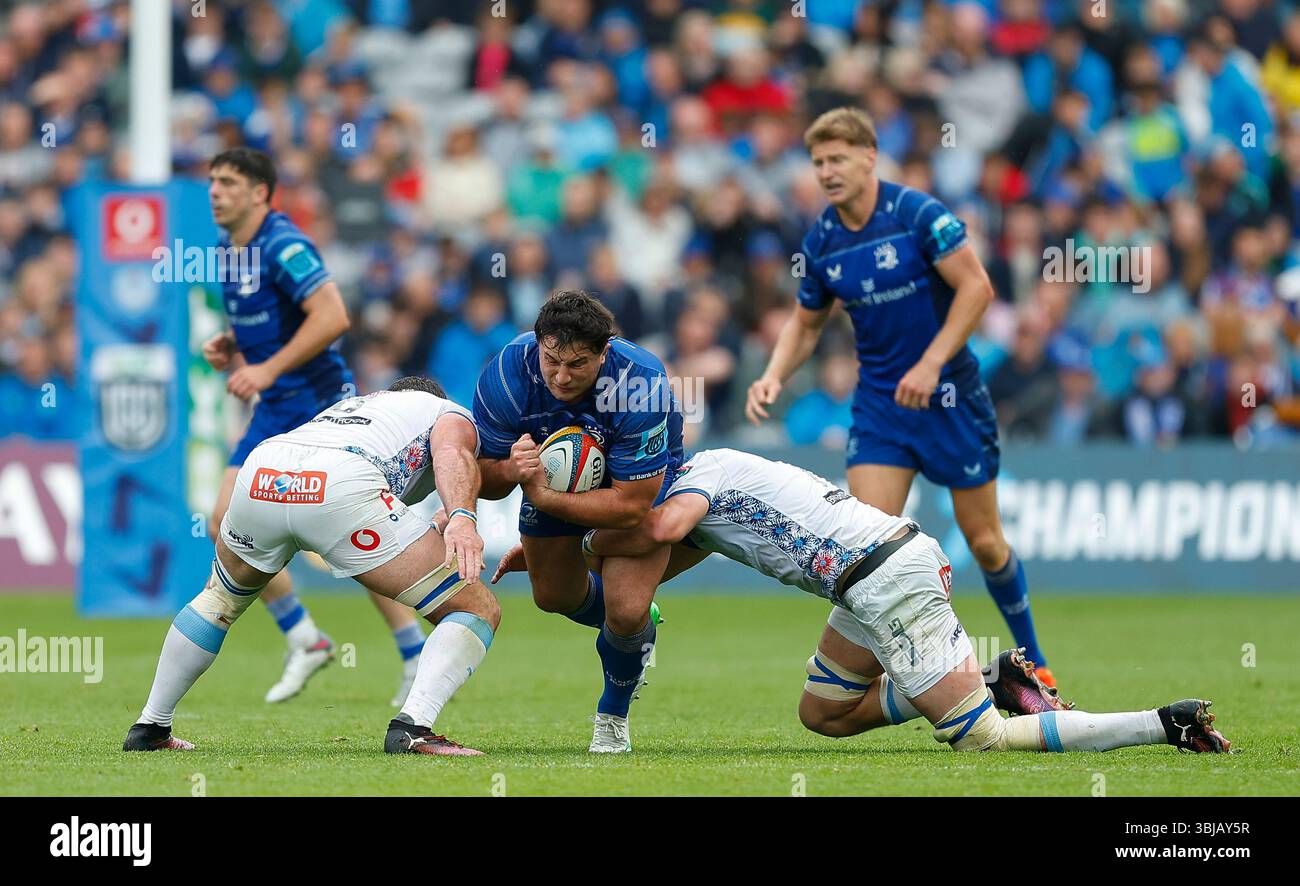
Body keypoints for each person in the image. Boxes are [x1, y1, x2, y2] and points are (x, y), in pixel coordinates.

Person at [532, 448, 1229, 755]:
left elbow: (654, 529)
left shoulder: (691, 487)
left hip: (888, 579)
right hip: (873, 577)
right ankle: (990, 677)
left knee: (981, 738)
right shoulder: (705, 486)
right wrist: (554, 556)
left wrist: (569, 527)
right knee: (824, 715)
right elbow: (654, 561)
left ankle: (1160, 724)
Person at [744, 107, 1058, 688]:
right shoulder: (823, 241)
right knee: (869, 545)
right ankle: (898, 673)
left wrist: (932, 362)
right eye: (817, 162)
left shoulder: (916, 214)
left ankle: (1035, 659)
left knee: (987, 544)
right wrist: (773, 375)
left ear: (869, 157)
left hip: (951, 401)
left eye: (837, 158)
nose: (827, 171)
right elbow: (807, 324)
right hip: (883, 408)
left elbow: (978, 288)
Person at [124, 377, 498, 756]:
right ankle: (413, 729)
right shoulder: (446, 411)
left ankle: (150, 725)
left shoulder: (357, 406)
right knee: (475, 608)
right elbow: (452, 454)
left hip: (265, 470)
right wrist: (463, 516)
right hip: (340, 484)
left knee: (217, 600)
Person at [202, 147, 428, 705]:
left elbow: (333, 316)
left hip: (323, 407)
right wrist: (234, 346)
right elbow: (274, 320)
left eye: (227, 182)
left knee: (351, 540)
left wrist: (266, 367)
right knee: (222, 521)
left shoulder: (285, 245)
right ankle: (306, 638)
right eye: (211, 181)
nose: (214, 191)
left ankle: (414, 652)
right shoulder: (225, 252)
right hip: (274, 410)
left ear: (260, 192)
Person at [473, 290, 682, 753]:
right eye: (552, 361)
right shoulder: (507, 372)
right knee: (552, 596)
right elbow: (484, 481)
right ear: (539, 343)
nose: (561, 377)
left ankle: (612, 715)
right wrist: (511, 470)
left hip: (632, 485)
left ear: (604, 352)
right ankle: (631, 626)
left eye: (578, 364)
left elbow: (631, 506)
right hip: (552, 482)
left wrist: (545, 497)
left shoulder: (640, 381)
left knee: (624, 611)